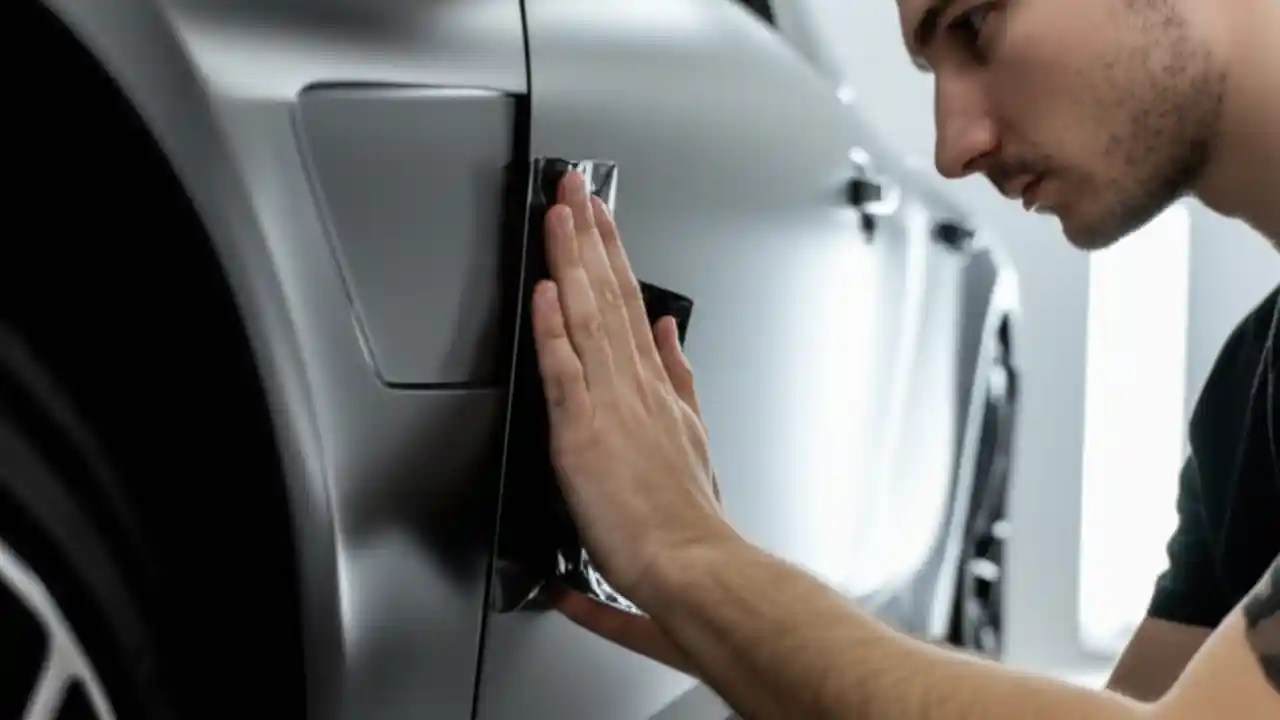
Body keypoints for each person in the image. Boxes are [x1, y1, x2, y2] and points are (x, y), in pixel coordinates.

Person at [529, 0, 1280, 717]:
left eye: (976, 23)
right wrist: (748, 628)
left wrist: (688, 556)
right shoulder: (1247, 386)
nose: (951, 150)